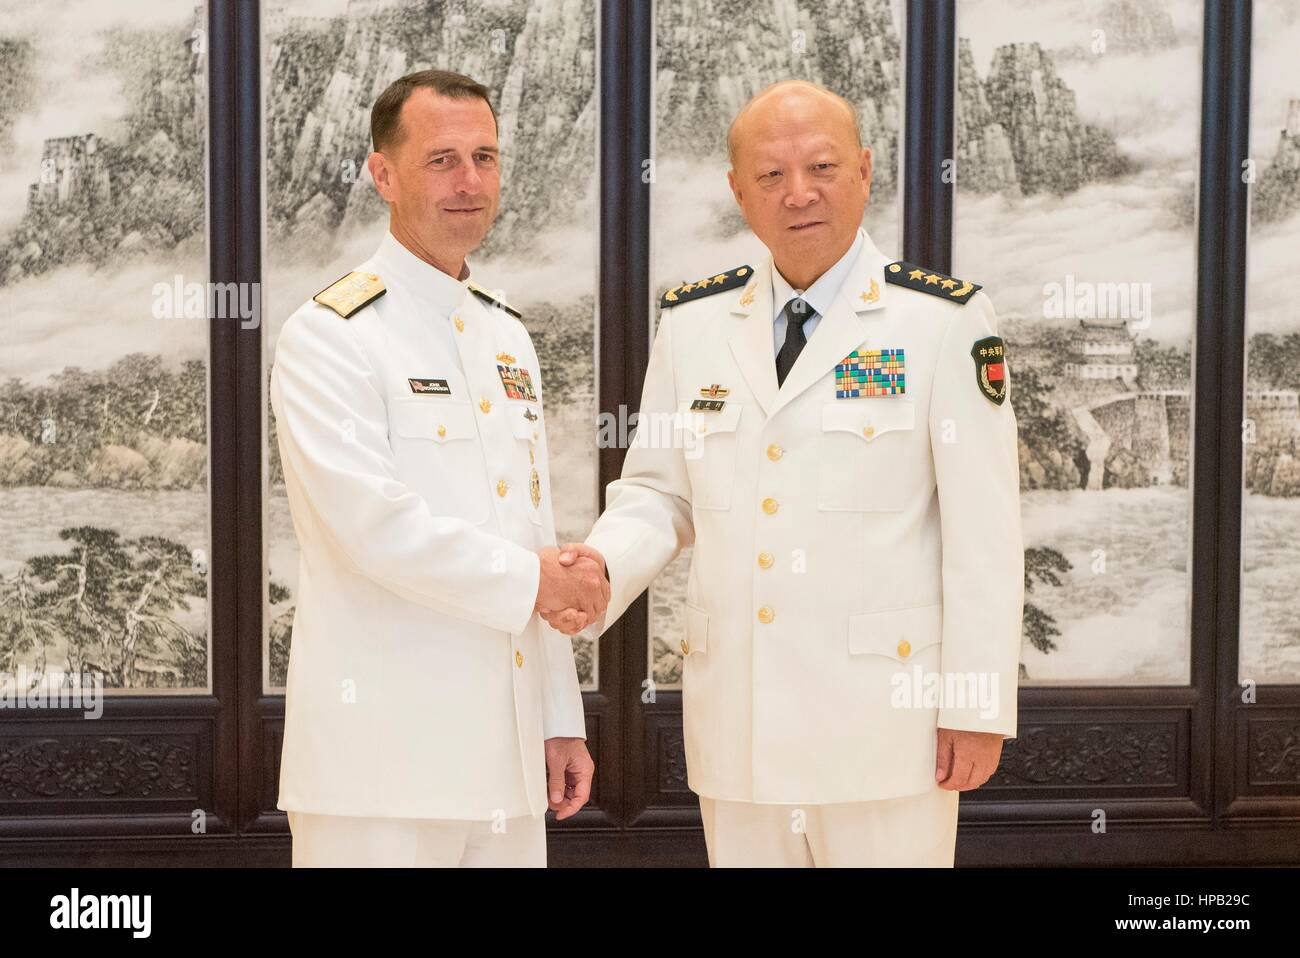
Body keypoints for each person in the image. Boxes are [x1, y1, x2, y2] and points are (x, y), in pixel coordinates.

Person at [548, 79, 1024, 867]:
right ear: (739, 191)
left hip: (884, 730)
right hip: (741, 727)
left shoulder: (940, 321)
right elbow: (658, 492)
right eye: (771, 175)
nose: (798, 193)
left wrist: (975, 704)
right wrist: (599, 565)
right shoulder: (695, 322)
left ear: (866, 171)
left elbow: (986, 529)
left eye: (823, 168)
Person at [270, 69, 605, 867]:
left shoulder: (505, 334)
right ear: (383, 174)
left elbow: (532, 526)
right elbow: (371, 530)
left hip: (508, 758)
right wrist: (538, 580)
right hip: (379, 766)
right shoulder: (331, 335)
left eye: (485, 157)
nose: (470, 182)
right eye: (442, 159)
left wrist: (559, 713)